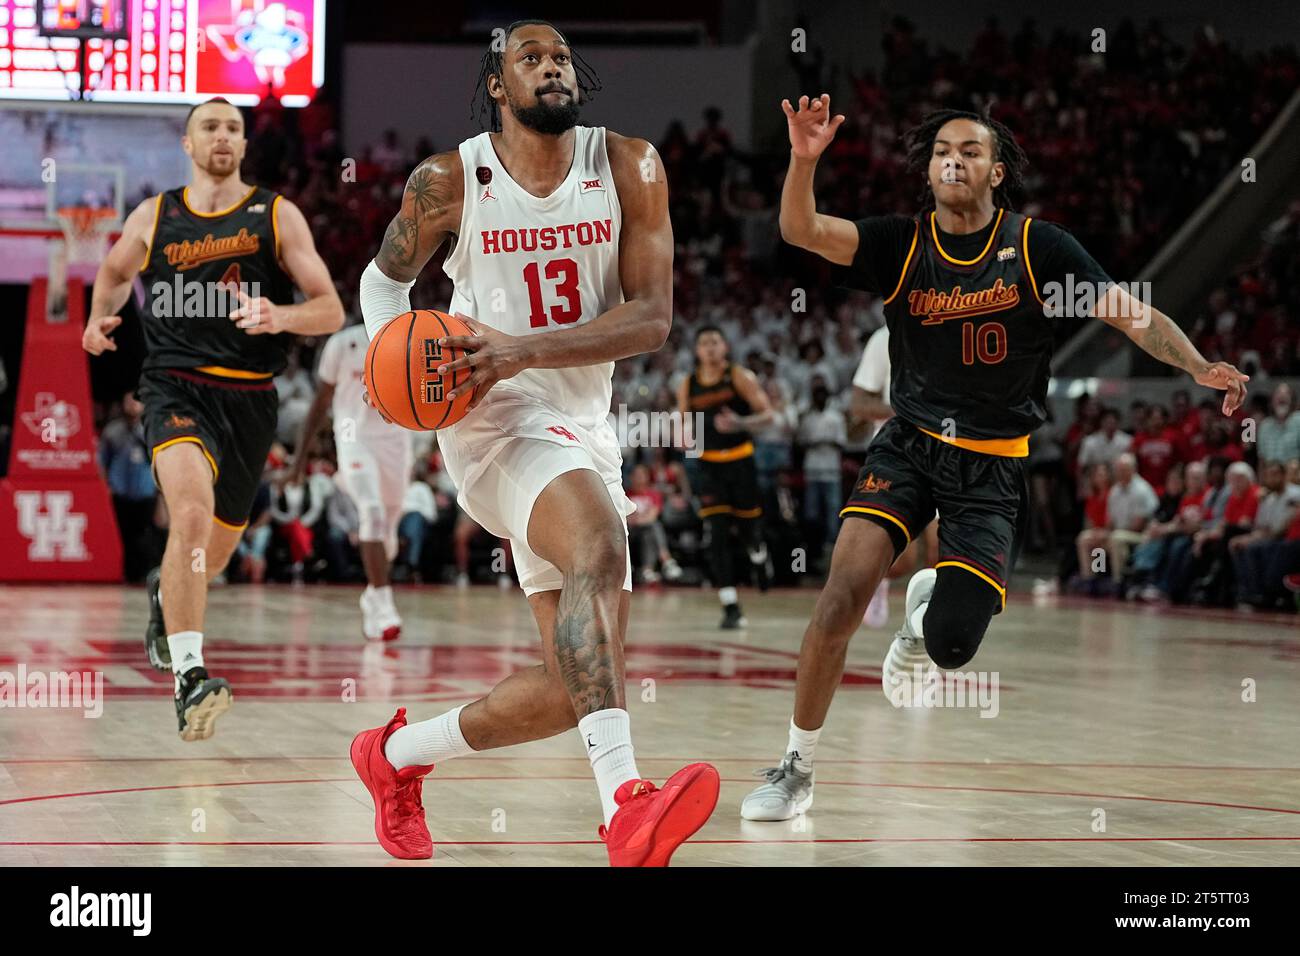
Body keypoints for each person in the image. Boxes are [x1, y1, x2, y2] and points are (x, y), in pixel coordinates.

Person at [741, 96, 1247, 821]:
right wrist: (804, 159)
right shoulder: (900, 245)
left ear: (996, 170)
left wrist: (1198, 365)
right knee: (841, 595)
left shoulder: (1040, 249)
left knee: (950, 647)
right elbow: (801, 228)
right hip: (909, 446)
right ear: (928, 170)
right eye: (943, 148)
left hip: (992, 463)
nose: (954, 157)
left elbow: (1130, 313)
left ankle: (921, 625)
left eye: (971, 150)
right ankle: (797, 769)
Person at [348, 20, 718, 866]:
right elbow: (381, 281)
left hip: (583, 421)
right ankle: (625, 806)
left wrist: (522, 347)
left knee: (572, 690)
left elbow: (652, 320)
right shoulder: (449, 179)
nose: (551, 67)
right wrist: (390, 365)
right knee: (600, 540)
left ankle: (394, 758)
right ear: (496, 84)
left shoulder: (631, 166)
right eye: (530, 58)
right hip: (489, 418)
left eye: (560, 58)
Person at [81, 97, 343, 740]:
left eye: (233, 127)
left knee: (211, 555)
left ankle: (161, 592)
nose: (223, 136)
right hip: (174, 390)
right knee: (190, 517)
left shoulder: (276, 217)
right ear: (189, 145)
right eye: (210, 127)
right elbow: (113, 273)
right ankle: (191, 679)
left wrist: (280, 317)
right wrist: (97, 317)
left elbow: (331, 309)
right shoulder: (155, 214)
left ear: (244, 145)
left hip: (251, 398)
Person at [292, 318, 412, 641]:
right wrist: (299, 458)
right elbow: (320, 402)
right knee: (370, 513)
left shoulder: (407, 338)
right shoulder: (342, 344)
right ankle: (384, 603)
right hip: (354, 438)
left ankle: (372, 594)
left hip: (396, 441)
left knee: (387, 532)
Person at [677, 326, 775, 628]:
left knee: (748, 530)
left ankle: (759, 557)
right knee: (716, 534)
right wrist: (682, 435)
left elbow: (768, 416)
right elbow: (682, 422)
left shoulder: (739, 376)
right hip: (708, 467)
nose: (709, 347)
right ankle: (731, 606)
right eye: (703, 342)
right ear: (696, 351)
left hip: (740, 462)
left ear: (725, 348)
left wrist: (741, 422)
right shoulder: (688, 384)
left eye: (714, 342)